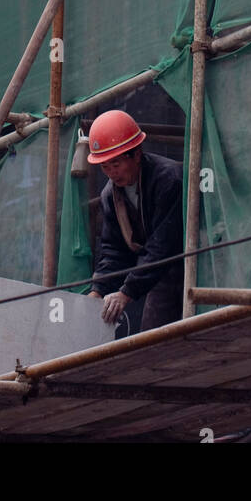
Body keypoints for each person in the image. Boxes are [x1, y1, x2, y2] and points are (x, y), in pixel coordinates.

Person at [86, 109, 184, 334]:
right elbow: (114, 251)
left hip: (185, 263)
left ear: (136, 154)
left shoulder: (168, 179)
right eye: (105, 167)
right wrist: (98, 290)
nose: (111, 173)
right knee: (152, 340)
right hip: (155, 272)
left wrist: (127, 292)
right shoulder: (110, 195)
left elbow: (164, 246)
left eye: (116, 164)